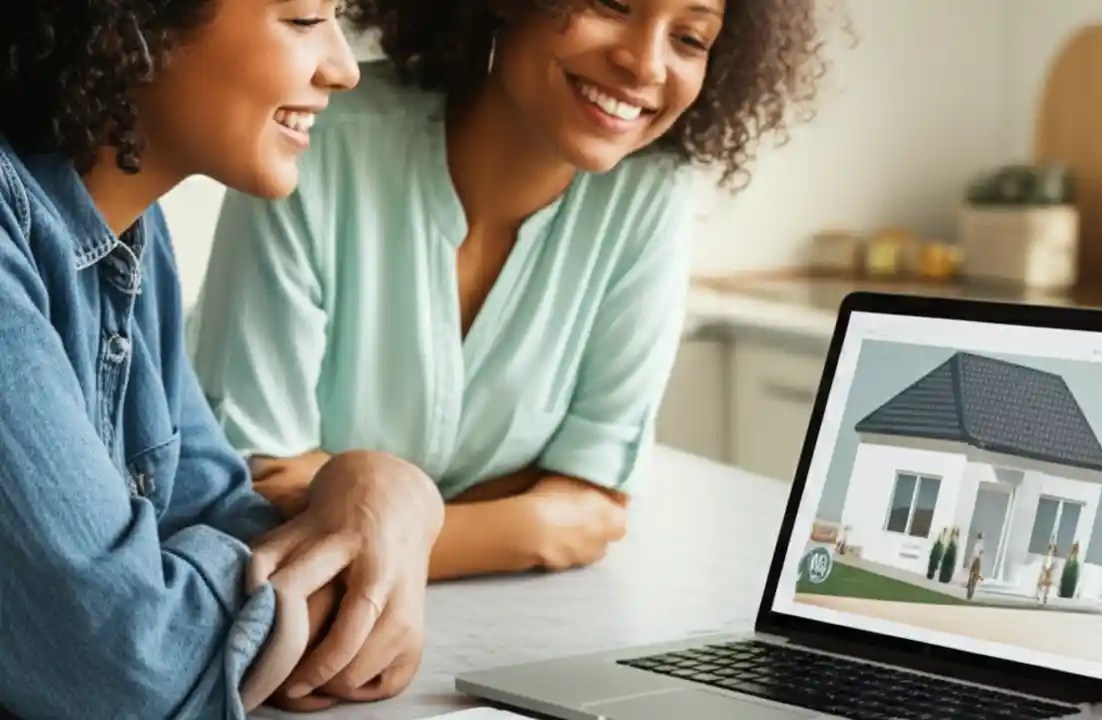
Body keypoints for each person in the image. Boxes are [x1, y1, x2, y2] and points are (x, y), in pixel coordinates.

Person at [188, 0, 830, 581]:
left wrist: (360, 531)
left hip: (464, 617)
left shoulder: (650, 196)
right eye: (611, 4)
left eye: (689, 38)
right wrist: (522, 523)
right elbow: (261, 484)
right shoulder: (314, 140)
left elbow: (590, 504)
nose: (644, 63)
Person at [0, 2, 445, 717]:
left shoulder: (131, 238)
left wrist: (389, 492)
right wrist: (335, 584)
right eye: (303, 19)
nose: (344, 67)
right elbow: (126, 660)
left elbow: (217, 513)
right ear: (134, 23)